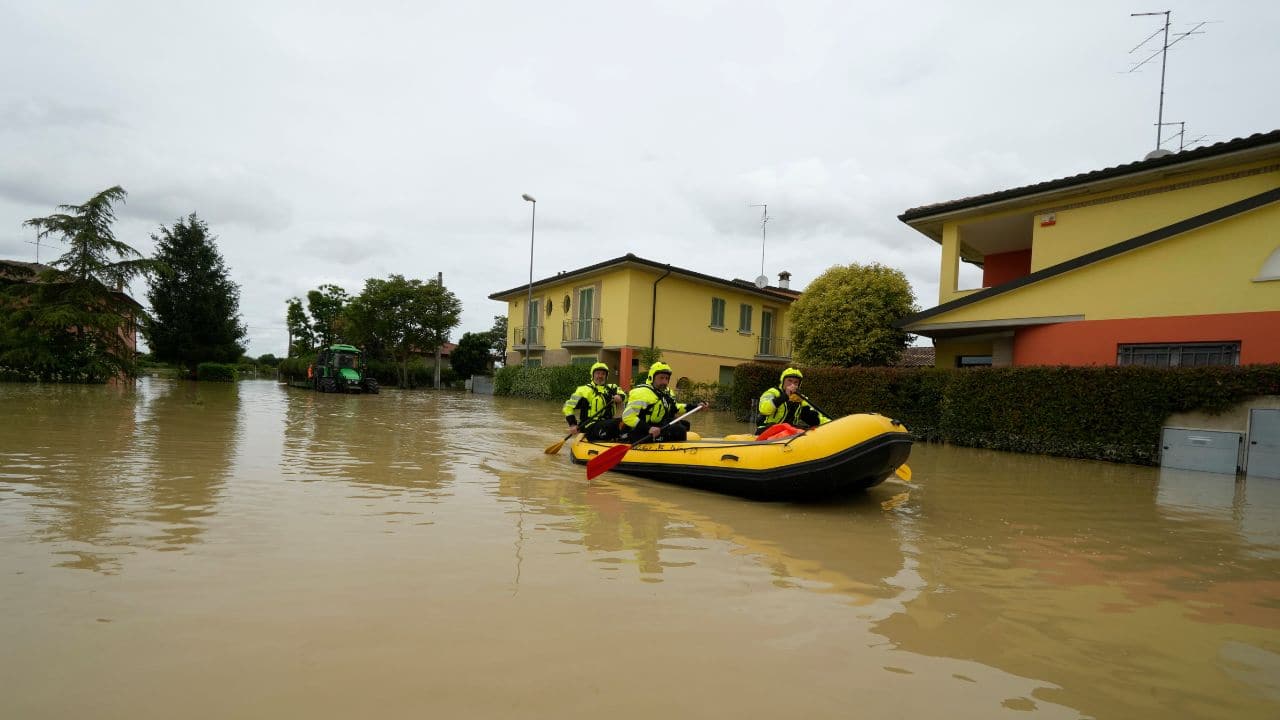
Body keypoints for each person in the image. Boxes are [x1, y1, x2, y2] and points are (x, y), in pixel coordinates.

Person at [621, 361, 707, 442]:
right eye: (661, 378)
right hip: (639, 430)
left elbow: (675, 408)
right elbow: (627, 417)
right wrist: (649, 428)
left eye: (667, 378)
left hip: (655, 427)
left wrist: (696, 407)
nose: (664, 382)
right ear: (652, 377)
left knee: (685, 424)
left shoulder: (666, 392)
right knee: (679, 430)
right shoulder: (641, 392)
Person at [562, 362, 625, 441]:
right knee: (614, 423)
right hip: (589, 425)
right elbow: (568, 407)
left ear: (606, 376)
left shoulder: (613, 388)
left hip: (608, 422)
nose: (600, 376)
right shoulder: (583, 390)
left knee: (626, 421)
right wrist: (572, 424)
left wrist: (620, 397)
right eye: (597, 373)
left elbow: (624, 395)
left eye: (603, 374)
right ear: (593, 375)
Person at [756, 367, 830, 434]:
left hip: (788, 432)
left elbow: (816, 419)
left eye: (796, 382)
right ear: (783, 382)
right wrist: (785, 396)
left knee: (809, 430)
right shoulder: (772, 392)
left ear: (799, 385)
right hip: (766, 430)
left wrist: (830, 424)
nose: (792, 385)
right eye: (789, 381)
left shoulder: (800, 399)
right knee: (787, 429)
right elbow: (764, 409)